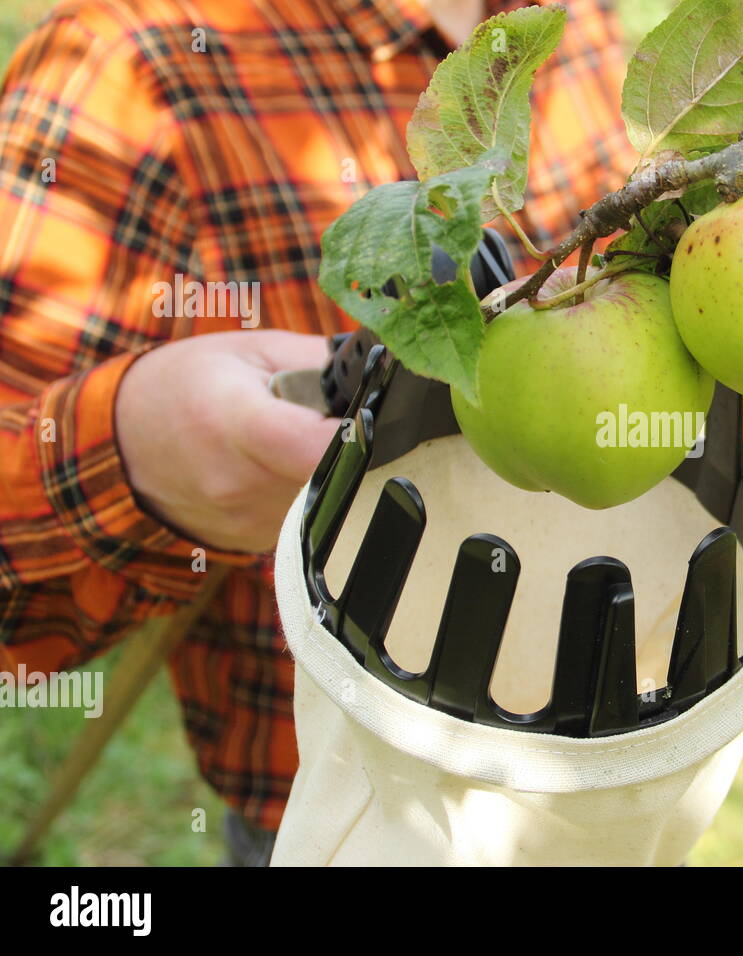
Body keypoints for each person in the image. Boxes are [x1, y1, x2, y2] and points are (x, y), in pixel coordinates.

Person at [0, 0, 637, 863]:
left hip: (623, 776)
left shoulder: (572, 24)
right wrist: (133, 454)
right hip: (352, 815)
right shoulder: (131, 63)